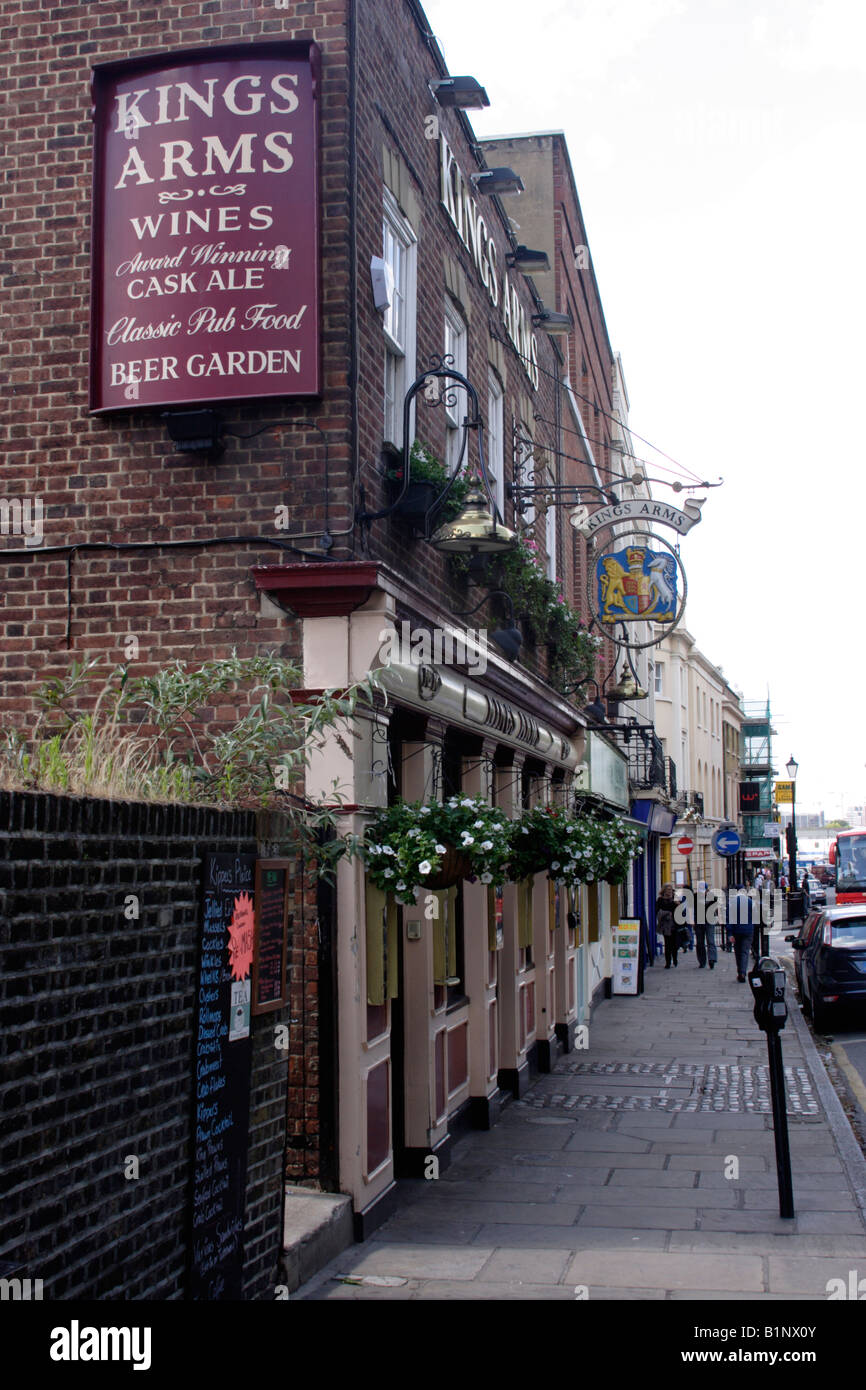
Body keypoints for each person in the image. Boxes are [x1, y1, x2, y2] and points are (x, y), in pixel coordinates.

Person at [727, 884, 755, 982]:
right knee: (744, 952)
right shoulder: (750, 902)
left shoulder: (731, 903)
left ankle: (740, 971)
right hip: (748, 930)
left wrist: (730, 933)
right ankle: (742, 972)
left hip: (736, 931)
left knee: (738, 952)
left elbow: (729, 919)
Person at [656, 883, 679, 969]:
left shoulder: (674, 899)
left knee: (675, 944)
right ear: (664, 890)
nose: (669, 891)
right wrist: (667, 913)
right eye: (668, 889)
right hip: (666, 924)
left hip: (675, 924)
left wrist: (678, 905)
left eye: (670, 889)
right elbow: (658, 911)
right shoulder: (660, 900)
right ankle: (668, 962)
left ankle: (675, 959)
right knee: (668, 943)